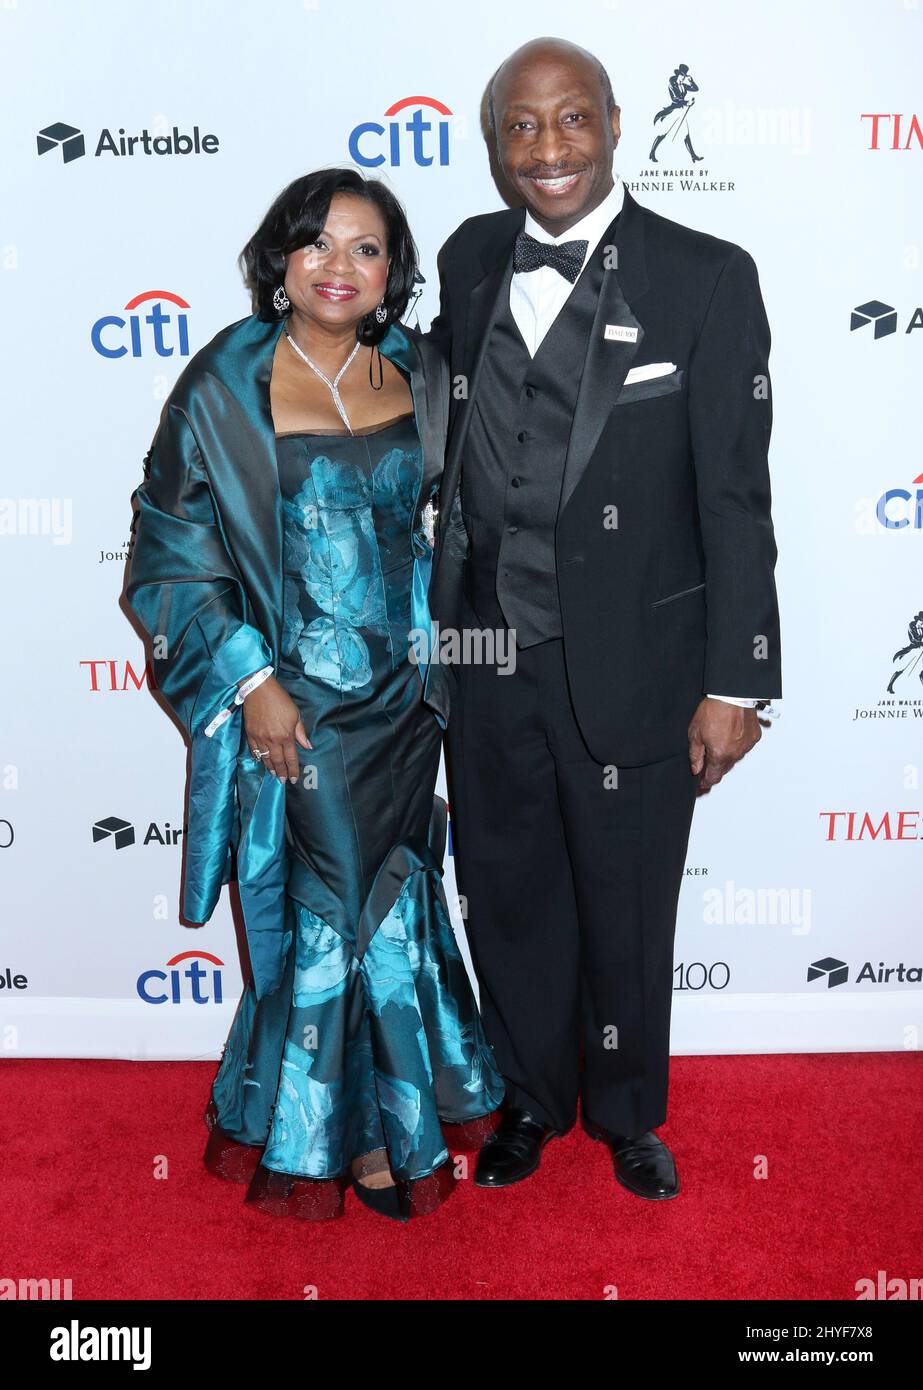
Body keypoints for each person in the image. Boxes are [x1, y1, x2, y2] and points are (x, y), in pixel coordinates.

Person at [427, 38, 781, 1200]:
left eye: (569, 120)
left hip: (636, 659)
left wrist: (738, 678)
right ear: (494, 144)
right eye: (520, 128)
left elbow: (732, 492)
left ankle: (628, 1114)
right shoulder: (473, 255)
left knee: (625, 899)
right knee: (512, 888)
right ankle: (530, 1098)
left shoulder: (706, 274)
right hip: (485, 651)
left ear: (616, 123)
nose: (547, 150)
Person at [125, 168, 503, 1224]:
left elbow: (466, 520)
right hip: (299, 707)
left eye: (367, 249)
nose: (340, 267)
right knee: (333, 912)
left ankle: (384, 1131)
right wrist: (249, 679)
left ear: (391, 276)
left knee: (394, 898)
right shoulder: (224, 385)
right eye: (318, 244)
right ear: (279, 263)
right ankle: (325, 1135)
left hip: (403, 701)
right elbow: (167, 556)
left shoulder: (422, 376)